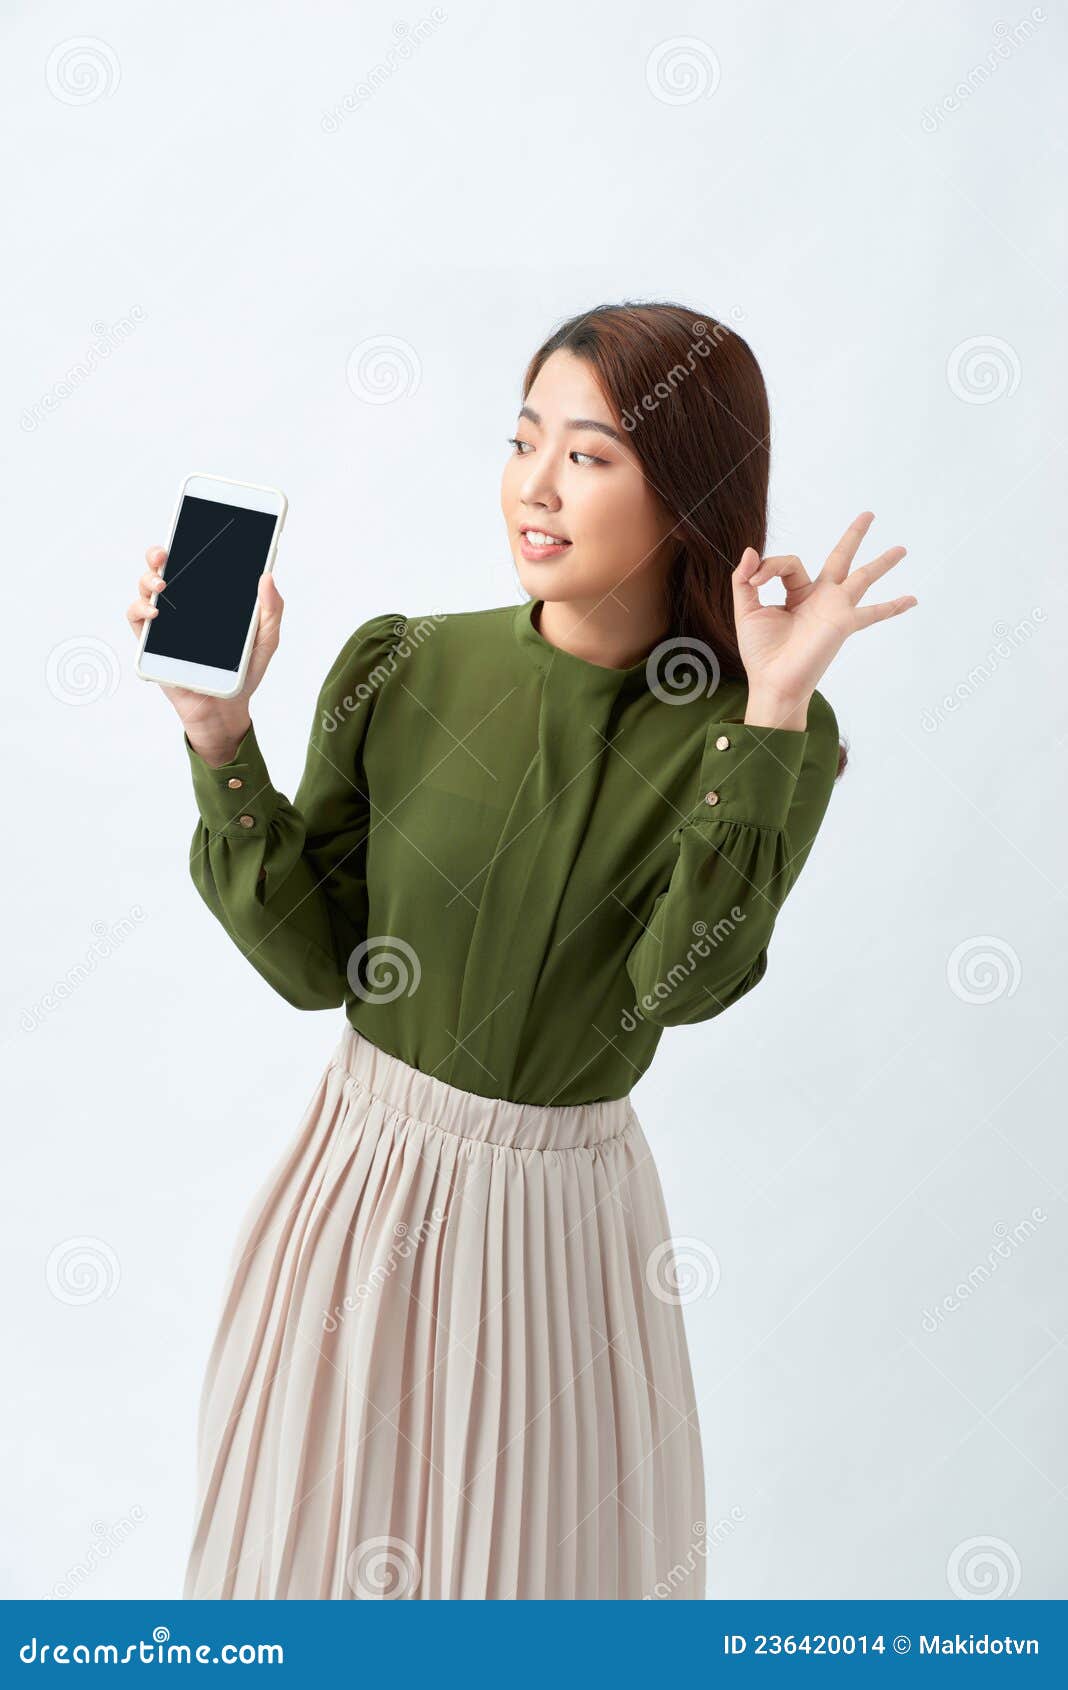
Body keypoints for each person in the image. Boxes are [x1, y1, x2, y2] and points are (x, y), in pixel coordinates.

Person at [126, 302, 914, 1601]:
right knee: (306, 1560)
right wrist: (220, 735)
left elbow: (689, 980)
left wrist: (773, 706)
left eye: (591, 456)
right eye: (523, 438)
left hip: (556, 1224)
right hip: (357, 1184)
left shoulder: (759, 737)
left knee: (534, 1576)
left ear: (689, 494)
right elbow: (314, 962)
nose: (535, 487)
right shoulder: (404, 664)